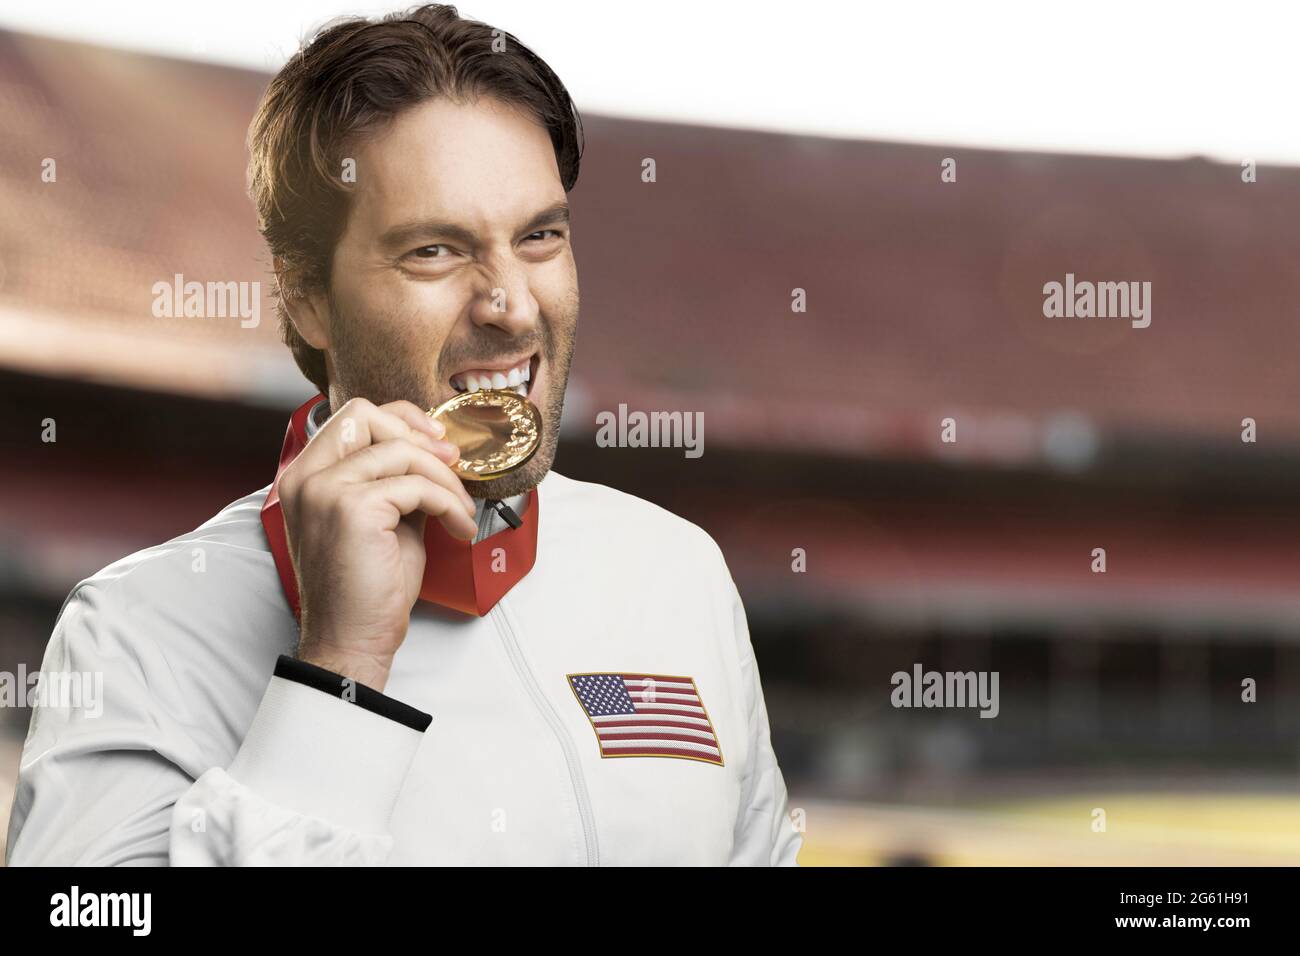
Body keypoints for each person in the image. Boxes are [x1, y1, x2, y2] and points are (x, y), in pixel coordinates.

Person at [5, 3, 801, 866]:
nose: (511, 304)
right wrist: (338, 666)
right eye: (434, 251)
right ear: (307, 297)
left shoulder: (677, 567)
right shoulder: (137, 632)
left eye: (539, 236)